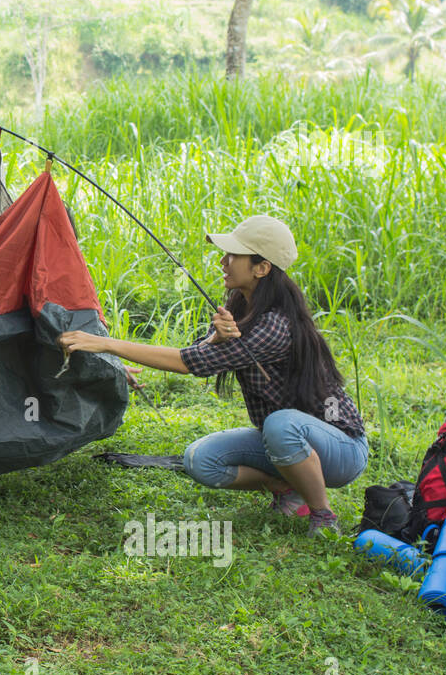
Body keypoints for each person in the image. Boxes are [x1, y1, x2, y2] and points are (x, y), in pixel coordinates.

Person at [59, 215, 368, 536]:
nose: (223, 261)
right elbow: (201, 352)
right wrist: (214, 339)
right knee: (199, 460)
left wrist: (103, 343)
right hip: (287, 440)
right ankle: (287, 487)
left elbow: (186, 363)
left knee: (280, 424)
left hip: (342, 449)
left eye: (234, 255)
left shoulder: (276, 326)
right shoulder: (239, 307)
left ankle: (323, 516)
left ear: (261, 268)